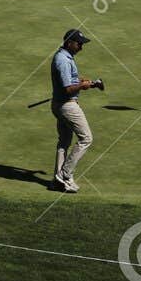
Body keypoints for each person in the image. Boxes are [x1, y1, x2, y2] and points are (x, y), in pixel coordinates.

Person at [50, 28, 102, 193]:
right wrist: (81, 85)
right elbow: (68, 89)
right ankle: (64, 175)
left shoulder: (64, 57)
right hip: (67, 105)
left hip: (60, 104)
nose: (81, 47)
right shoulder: (63, 60)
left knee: (64, 142)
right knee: (86, 138)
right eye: (79, 44)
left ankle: (58, 181)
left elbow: (69, 81)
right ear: (69, 43)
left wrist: (84, 82)